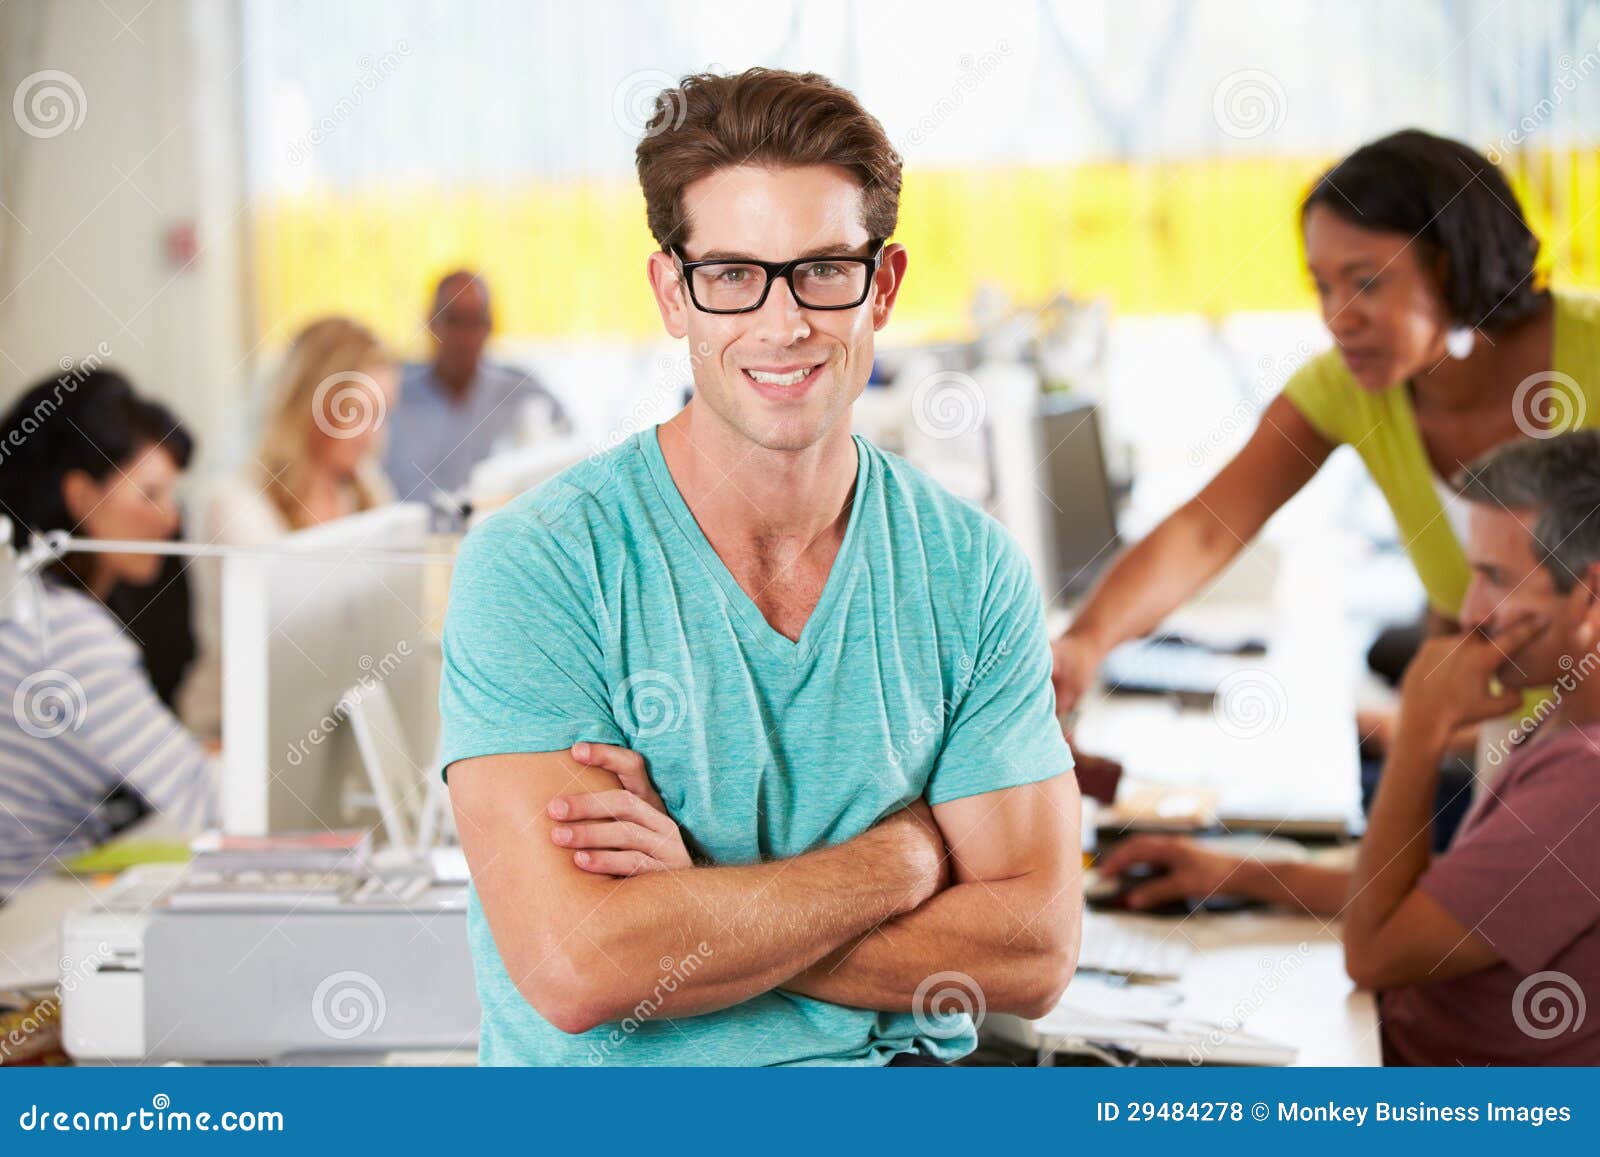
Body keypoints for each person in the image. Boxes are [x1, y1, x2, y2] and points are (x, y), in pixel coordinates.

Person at [441, 68, 1080, 1067]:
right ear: (673, 294)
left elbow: (1034, 950)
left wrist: (697, 900)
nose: (783, 324)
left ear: (883, 285)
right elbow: (583, 965)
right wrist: (905, 854)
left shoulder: (970, 568)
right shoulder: (540, 565)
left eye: (823, 269)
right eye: (733, 275)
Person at [1052, 130, 1600, 721]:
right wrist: (1085, 644)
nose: (1338, 318)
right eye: (1323, 285)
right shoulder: (1346, 388)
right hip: (1511, 742)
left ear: (1450, 267)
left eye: (1367, 282)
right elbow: (1206, 530)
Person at [1098, 430, 1600, 1065]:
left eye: (1495, 579)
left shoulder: (1583, 783)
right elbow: (1441, 902)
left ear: (1589, 596)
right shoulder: (1563, 721)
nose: (1471, 611)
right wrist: (1239, 874)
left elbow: (1375, 953)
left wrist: (1421, 727)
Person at [0, 368, 217, 901]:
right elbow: (205, 804)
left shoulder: (36, 604)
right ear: (81, 496)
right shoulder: (66, 634)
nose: (170, 520)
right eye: (150, 495)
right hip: (28, 919)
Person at [179, 316, 398, 736]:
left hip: (328, 719)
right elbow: (290, 637)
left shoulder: (364, 485)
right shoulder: (234, 502)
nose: (374, 437)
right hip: (231, 728)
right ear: (313, 403)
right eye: (361, 413)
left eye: (384, 415)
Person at [382, 271, 570, 500]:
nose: (463, 337)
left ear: (490, 326)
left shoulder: (523, 394)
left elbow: (568, 462)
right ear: (431, 323)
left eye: (475, 321)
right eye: (453, 320)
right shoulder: (391, 398)